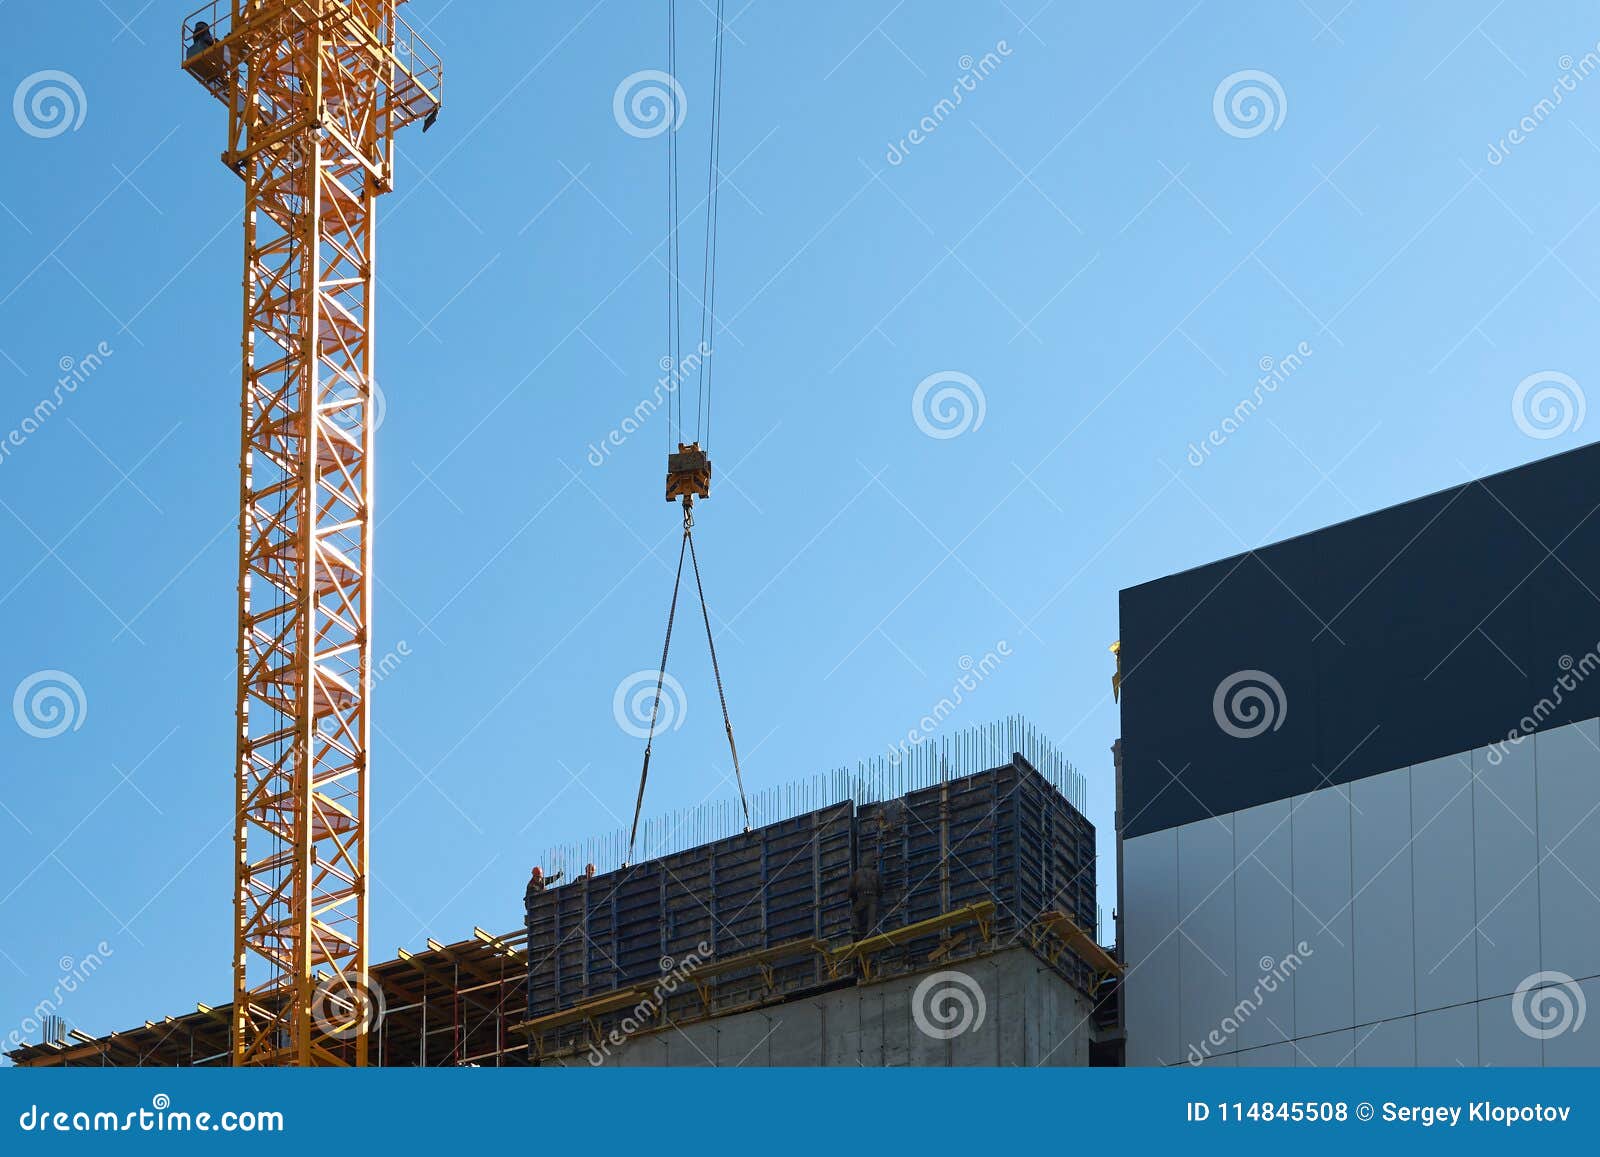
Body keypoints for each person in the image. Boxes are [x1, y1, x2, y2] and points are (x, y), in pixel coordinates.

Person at [849, 850, 882, 940]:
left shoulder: (857, 873)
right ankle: (871, 936)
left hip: (862, 898)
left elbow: (851, 888)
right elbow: (880, 889)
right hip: (873, 899)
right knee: (872, 919)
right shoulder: (876, 873)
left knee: (854, 911)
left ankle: (855, 929)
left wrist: (851, 896)